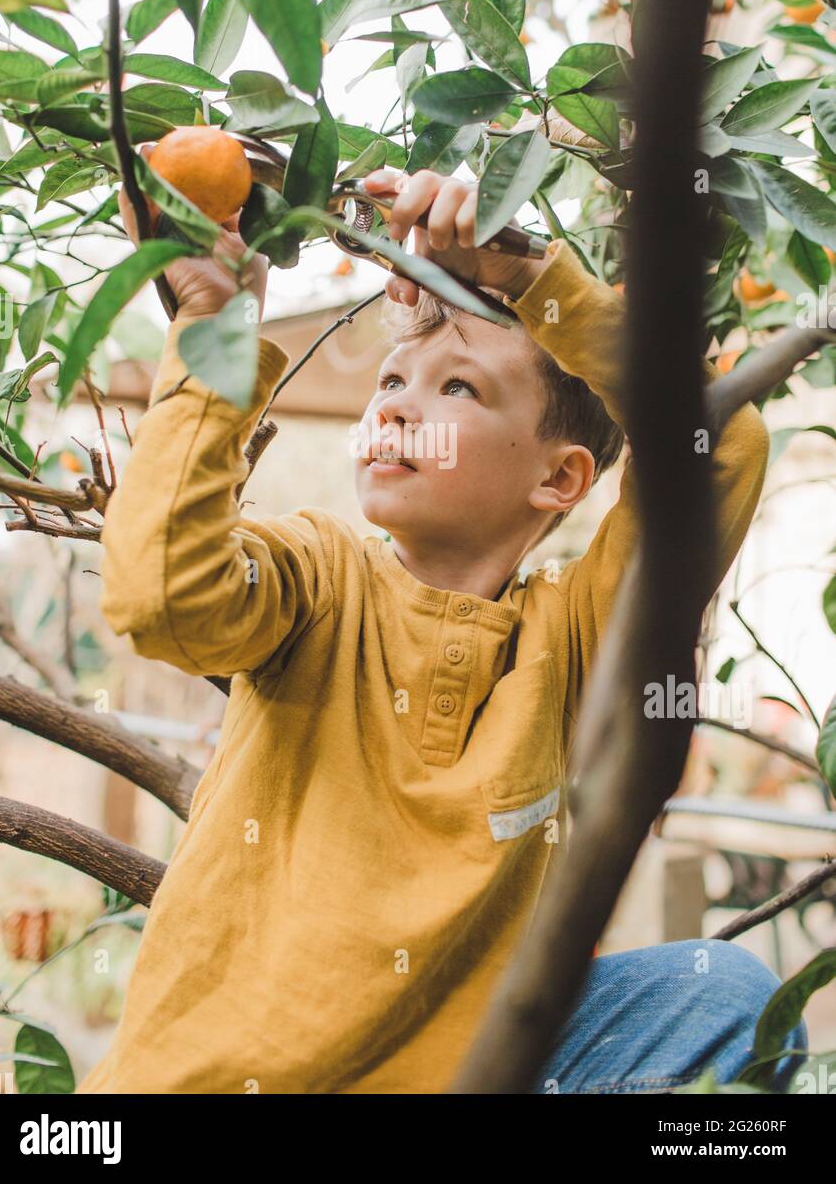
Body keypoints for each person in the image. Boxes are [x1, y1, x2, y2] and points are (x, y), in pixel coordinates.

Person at [76, 163, 803, 1094]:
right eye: (392, 379)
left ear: (561, 480)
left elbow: (725, 445)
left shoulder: (570, 640)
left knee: (722, 993)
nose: (396, 406)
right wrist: (215, 328)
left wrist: (531, 280)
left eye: (457, 388)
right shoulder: (318, 575)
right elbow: (163, 598)